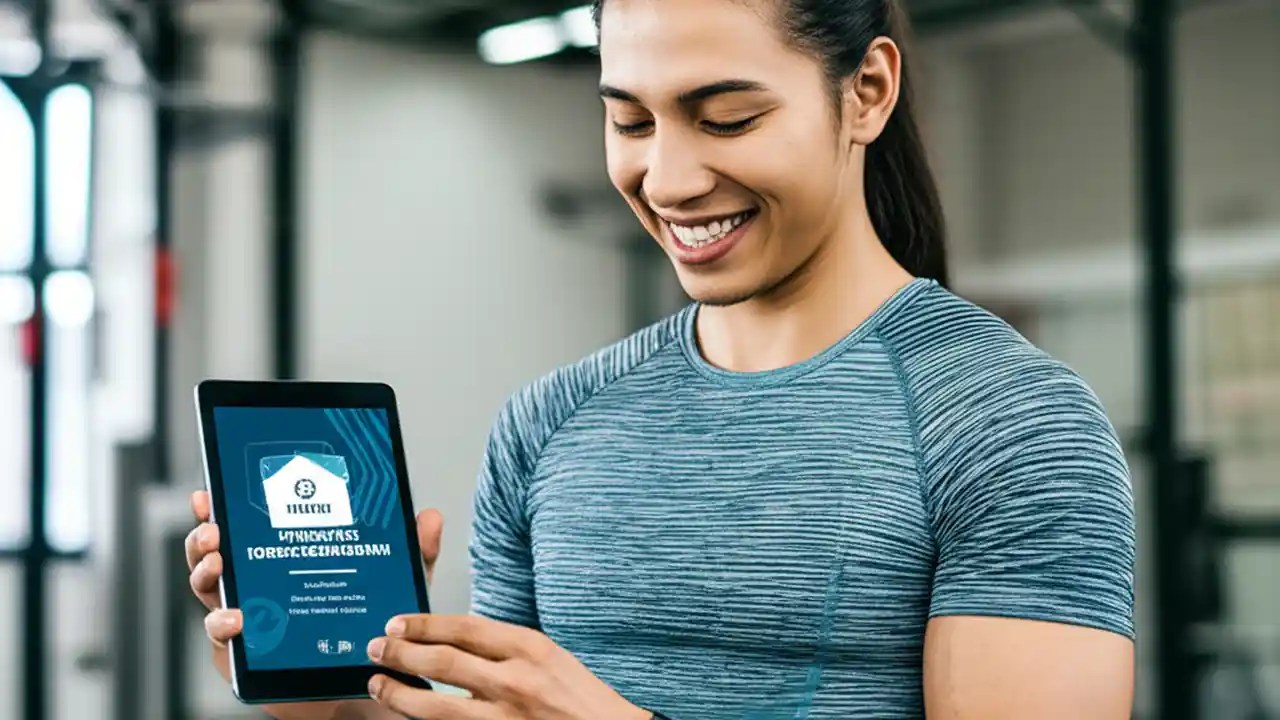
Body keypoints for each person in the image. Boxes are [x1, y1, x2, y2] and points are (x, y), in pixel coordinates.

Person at [186, 0, 1137, 717]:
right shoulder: (549, 423)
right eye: (632, 122)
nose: (669, 180)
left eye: (726, 117)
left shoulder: (1008, 422)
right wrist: (338, 701)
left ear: (868, 92)